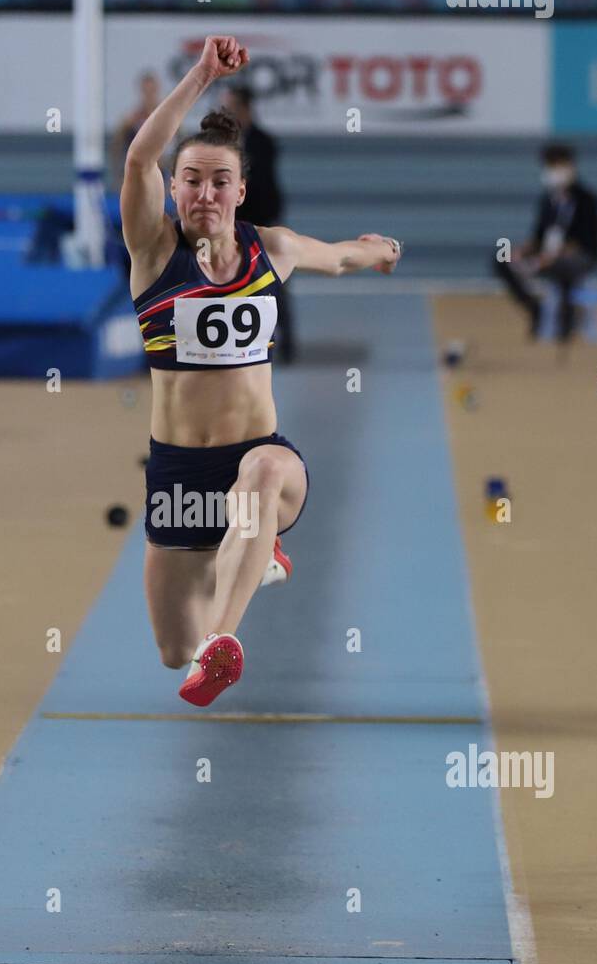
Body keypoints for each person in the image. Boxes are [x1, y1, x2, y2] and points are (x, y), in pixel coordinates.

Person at [120, 35, 401, 707]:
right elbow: (137, 159)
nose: (205, 193)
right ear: (176, 189)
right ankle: (251, 563)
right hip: (179, 472)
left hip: (259, 458)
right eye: (191, 179)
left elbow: (335, 257)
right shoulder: (155, 252)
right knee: (170, 650)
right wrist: (201, 76)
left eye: (220, 181)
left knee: (265, 473)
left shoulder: (269, 251)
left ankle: (226, 636)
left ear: (241, 190)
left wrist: (378, 251)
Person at [494, 144, 597, 340]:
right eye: (550, 166)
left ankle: (565, 323)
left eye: (557, 165)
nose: (553, 171)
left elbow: (586, 241)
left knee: (562, 266)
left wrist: (553, 255)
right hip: (548, 255)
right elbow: (538, 236)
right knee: (502, 260)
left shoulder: (587, 200)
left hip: (579, 258)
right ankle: (535, 310)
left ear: (570, 167)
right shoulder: (548, 199)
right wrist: (521, 251)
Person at [222, 83, 296, 363]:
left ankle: (286, 343)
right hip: (234, 226)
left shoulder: (263, 143)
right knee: (235, 285)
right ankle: (242, 341)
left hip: (263, 222)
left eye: (230, 108)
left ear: (243, 109)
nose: (225, 112)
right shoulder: (221, 145)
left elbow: (265, 186)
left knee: (275, 284)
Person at [111, 71, 162, 190]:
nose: (149, 95)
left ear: (157, 90)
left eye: (152, 91)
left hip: (162, 170)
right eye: (146, 91)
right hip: (138, 172)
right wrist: (118, 176)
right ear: (141, 91)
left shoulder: (168, 117)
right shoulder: (131, 120)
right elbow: (116, 147)